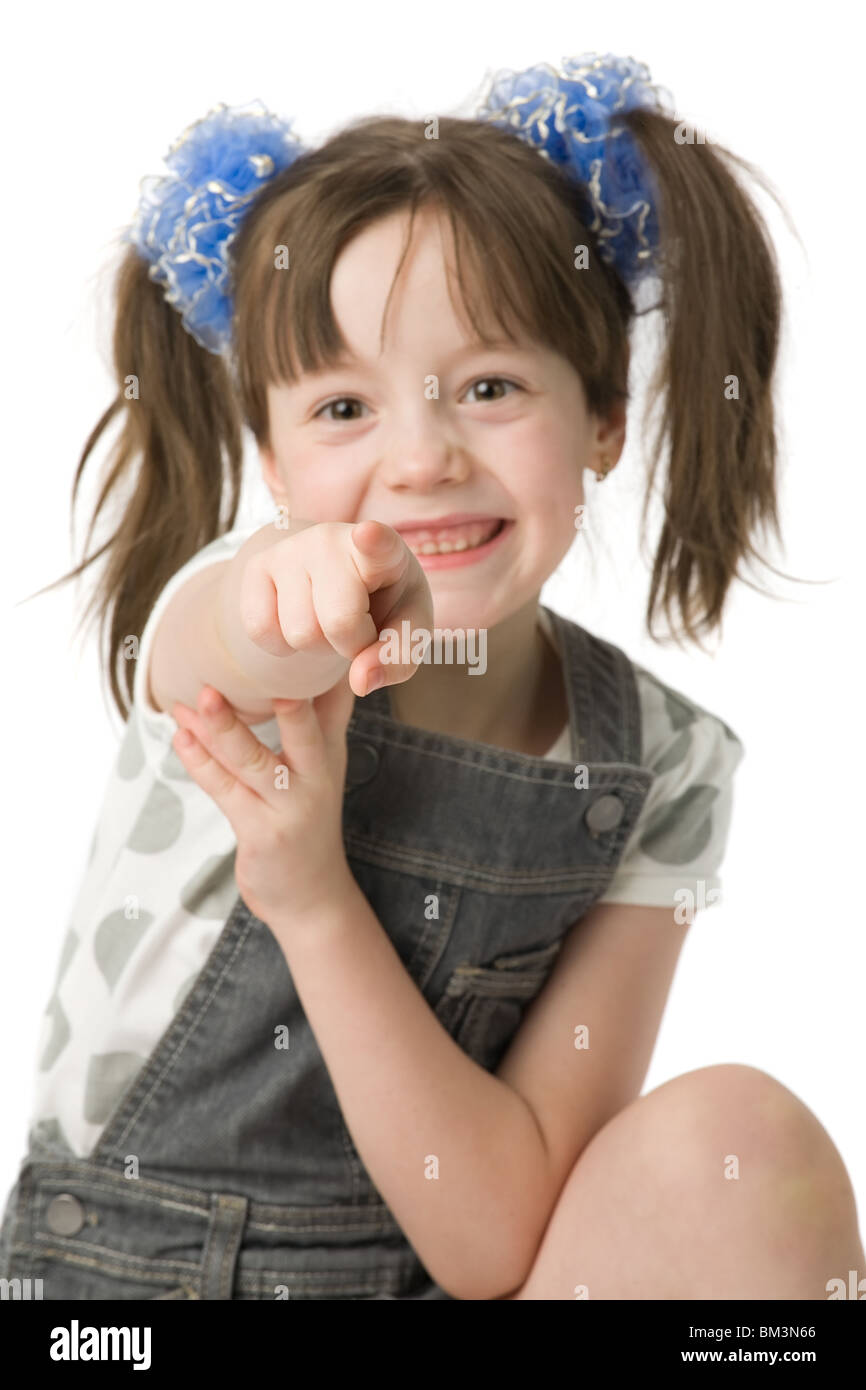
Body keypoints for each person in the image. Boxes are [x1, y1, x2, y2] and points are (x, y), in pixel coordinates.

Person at [0, 54, 862, 1301]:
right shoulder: (240, 626)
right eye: (343, 409)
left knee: (742, 1148)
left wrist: (317, 905)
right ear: (275, 462)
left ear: (604, 418)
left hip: (427, 1273)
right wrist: (284, 596)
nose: (420, 457)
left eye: (489, 388)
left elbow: (492, 1239)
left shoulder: (663, 763)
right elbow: (221, 639)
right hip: (129, 1292)